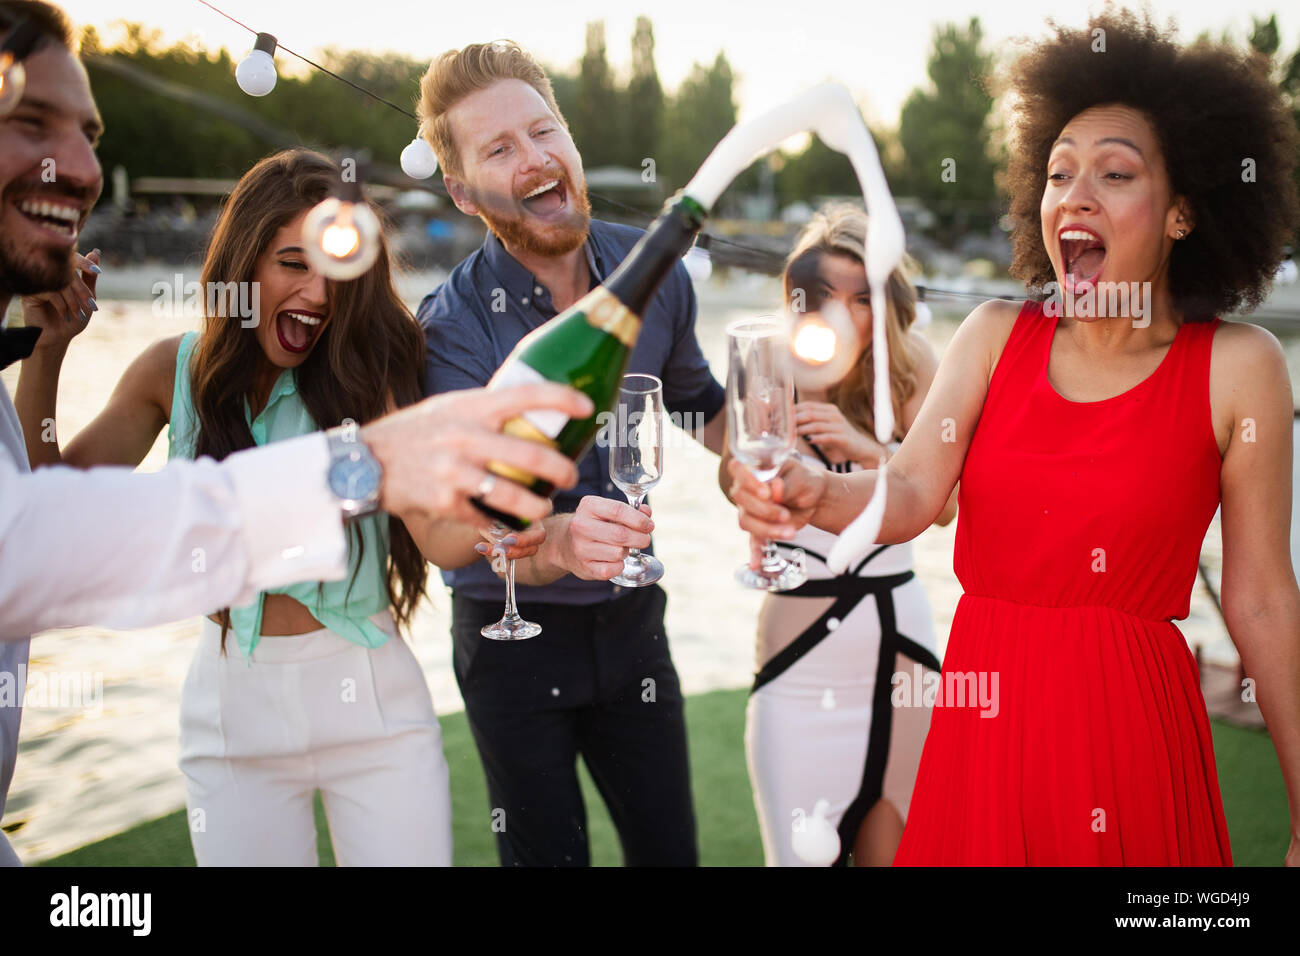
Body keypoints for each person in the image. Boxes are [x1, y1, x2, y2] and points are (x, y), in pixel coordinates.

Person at [0, 0, 590, 866]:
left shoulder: (377, 367)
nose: (314, 295)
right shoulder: (174, 369)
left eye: (333, 271)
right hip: (231, 711)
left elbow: (438, 533)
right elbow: (46, 514)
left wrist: (539, 543)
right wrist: (46, 356)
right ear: (245, 263)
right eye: (289, 265)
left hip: (375, 702)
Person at [730, 8, 1300, 866]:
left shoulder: (1238, 366)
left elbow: (1259, 597)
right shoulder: (995, 334)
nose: (1075, 195)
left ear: (1182, 213)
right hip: (984, 726)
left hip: (1131, 735)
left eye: (1114, 174)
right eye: (1060, 172)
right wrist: (816, 495)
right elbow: (915, 493)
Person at [414, 39, 728, 866]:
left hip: (635, 625)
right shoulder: (448, 331)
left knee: (672, 855)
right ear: (462, 190)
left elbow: (700, 407)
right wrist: (554, 542)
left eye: (543, 131)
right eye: (499, 148)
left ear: (572, 142)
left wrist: (772, 463)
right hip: (509, 640)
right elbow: (446, 529)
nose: (534, 158)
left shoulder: (656, 270)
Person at [720, 204, 957, 866]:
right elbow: (731, 477)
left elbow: (947, 507)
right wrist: (761, 468)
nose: (839, 315)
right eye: (821, 296)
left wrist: (872, 448)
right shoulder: (767, 363)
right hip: (800, 660)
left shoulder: (912, 370)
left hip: (903, 653)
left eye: (860, 299)